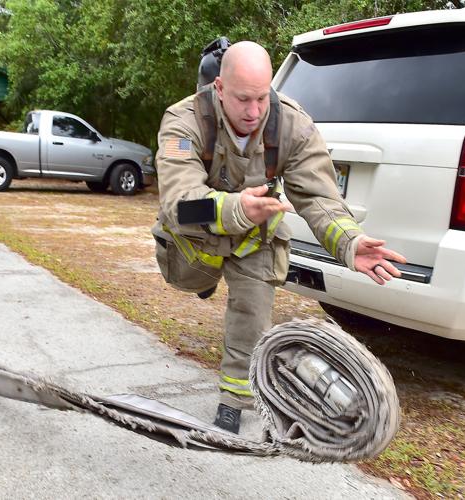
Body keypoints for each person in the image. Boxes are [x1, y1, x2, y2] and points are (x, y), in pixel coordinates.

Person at [151, 41, 406, 434]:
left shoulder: (292, 124)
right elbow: (178, 206)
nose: (254, 112)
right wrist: (236, 209)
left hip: (256, 237)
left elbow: (318, 197)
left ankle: (233, 402)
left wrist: (350, 242)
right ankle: (206, 280)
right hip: (197, 238)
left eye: (261, 97)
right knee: (189, 276)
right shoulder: (183, 122)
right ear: (219, 88)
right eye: (243, 99)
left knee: (252, 315)